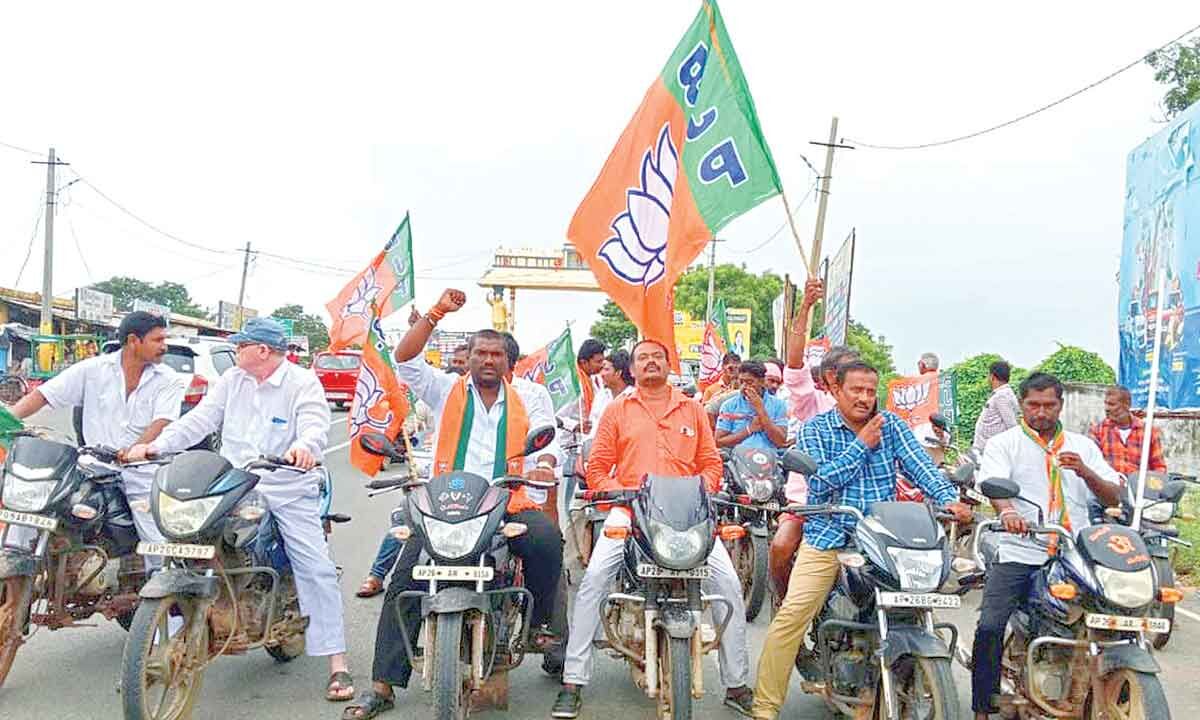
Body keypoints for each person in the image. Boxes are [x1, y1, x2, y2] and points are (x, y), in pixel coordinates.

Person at [344, 290, 565, 719]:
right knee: (404, 579)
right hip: (446, 504)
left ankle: (537, 626)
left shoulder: (529, 397)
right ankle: (381, 686)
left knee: (546, 540)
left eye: (495, 354)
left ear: (507, 361)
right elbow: (406, 359)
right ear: (469, 359)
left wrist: (545, 465)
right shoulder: (445, 389)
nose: (486, 360)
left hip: (507, 500)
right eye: (479, 352)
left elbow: (545, 441)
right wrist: (435, 312)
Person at [124, 317, 353, 702]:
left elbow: (315, 426)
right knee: (181, 543)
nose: (236, 351)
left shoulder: (302, 382)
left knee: (315, 568)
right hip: (232, 481)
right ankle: (158, 647)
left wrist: (304, 449)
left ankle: (338, 664)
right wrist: (156, 447)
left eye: (241, 345)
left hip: (285, 485)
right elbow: (201, 419)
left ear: (261, 350)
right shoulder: (233, 380)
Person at [752, 360, 971, 719]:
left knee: (916, 601)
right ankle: (764, 708)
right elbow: (820, 483)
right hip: (830, 536)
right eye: (856, 390)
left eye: (871, 391)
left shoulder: (892, 426)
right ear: (836, 390)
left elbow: (921, 467)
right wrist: (861, 444)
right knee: (791, 617)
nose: (865, 398)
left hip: (882, 540)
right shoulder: (815, 429)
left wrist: (947, 498)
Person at [551, 339, 756, 718]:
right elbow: (597, 470)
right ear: (632, 369)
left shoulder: (693, 409)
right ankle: (573, 681)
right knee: (594, 579)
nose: (650, 363)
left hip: (688, 515)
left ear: (668, 365)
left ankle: (736, 683)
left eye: (657, 357)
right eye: (642, 358)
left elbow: (711, 464)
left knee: (727, 585)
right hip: (629, 512)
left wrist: (703, 489)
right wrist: (623, 492)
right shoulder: (617, 410)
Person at [970, 373, 1122, 720]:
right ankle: (982, 706)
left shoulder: (1083, 447)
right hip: (1022, 550)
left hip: (1074, 555)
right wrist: (1008, 512)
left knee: (1113, 617)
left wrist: (1086, 473)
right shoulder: (1005, 443)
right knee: (991, 626)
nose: (1041, 412)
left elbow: (1113, 493)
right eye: (1033, 405)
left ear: (1061, 405)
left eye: (1049, 405)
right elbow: (992, 485)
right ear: (1022, 405)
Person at [7, 312, 184, 565]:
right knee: (31, 508)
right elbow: (44, 395)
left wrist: (135, 450)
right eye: (157, 340)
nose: (164, 346)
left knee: (154, 539)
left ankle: (160, 590)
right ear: (134, 341)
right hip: (92, 466)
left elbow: (161, 422)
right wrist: (9, 420)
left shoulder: (169, 380)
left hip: (141, 470)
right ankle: (15, 574)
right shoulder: (92, 369)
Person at [355, 398, 436, 599]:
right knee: (402, 517)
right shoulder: (429, 401)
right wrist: (406, 430)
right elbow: (412, 422)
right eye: (457, 363)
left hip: (464, 485)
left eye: (463, 364)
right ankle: (377, 575)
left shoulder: (478, 408)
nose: (460, 368)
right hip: (428, 479)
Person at [1088, 385, 1166, 475]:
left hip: (1140, 486)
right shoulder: (1097, 431)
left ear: (1127, 405)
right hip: (1109, 486)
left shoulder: (1149, 431)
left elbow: (1159, 467)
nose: (1107, 409)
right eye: (1106, 404)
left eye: (1112, 404)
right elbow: (1092, 464)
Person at [715, 360, 788, 451]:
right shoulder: (729, 406)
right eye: (741, 382)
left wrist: (761, 410)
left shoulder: (779, 405)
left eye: (749, 382)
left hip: (770, 458)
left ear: (762, 382)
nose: (744, 387)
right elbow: (719, 441)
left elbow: (781, 441)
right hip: (737, 459)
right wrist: (749, 430)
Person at [972, 360, 1020, 454]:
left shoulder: (1002, 396)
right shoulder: (1000, 394)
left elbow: (1011, 424)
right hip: (987, 448)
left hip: (993, 449)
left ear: (992, 377)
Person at [585, 349, 633, 439]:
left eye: (606, 369)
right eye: (601, 369)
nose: (601, 374)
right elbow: (593, 428)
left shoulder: (633, 397)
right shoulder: (601, 396)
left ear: (618, 373)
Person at [576, 338, 607, 432]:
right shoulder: (572, 383)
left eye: (603, 361)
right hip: (569, 440)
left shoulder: (597, 380)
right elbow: (557, 414)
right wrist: (575, 425)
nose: (602, 365)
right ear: (584, 362)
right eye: (598, 362)